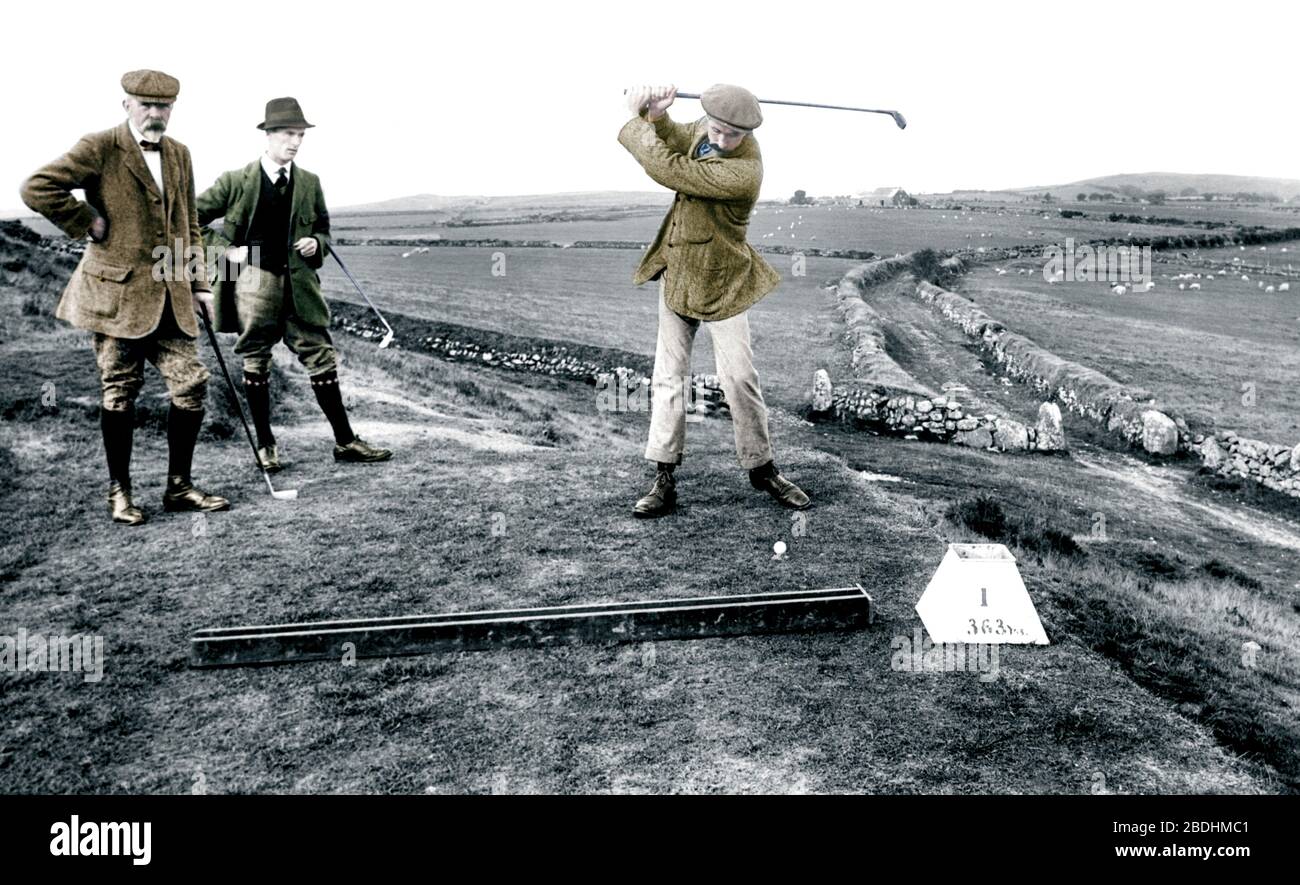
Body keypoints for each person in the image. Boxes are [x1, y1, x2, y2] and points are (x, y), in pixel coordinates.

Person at [21, 69, 230, 525]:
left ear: (173, 109)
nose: (155, 114)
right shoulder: (99, 145)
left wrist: (199, 284)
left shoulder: (179, 153)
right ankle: (120, 493)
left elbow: (189, 225)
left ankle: (179, 487)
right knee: (120, 391)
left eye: (164, 106)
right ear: (127, 105)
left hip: (171, 293)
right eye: (146, 105)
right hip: (115, 298)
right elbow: (36, 187)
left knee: (192, 383)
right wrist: (85, 220)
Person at [618, 84, 810, 518]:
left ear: (747, 133)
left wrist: (633, 119)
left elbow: (669, 168)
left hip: (724, 281)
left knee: (740, 378)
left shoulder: (744, 172)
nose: (720, 141)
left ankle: (762, 469)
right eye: (716, 130)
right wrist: (658, 116)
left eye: (731, 135)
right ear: (708, 120)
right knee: (668, 378)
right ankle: (664, 480)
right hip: (679, 273)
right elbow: (673, 140)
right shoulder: (703, 130)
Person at [197, 97, 391, 472]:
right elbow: (190, 217)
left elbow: (323, 229)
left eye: (301, 135)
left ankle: (346, 442)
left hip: (300, 285)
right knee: (256, 357)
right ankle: (266, 447)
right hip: (252, 283)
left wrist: (316, 243)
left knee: (320, 354)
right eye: (289, 133)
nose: (296, 142)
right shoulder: (235, 181)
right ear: (268, 135)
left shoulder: (310, 183)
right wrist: (226, 250)